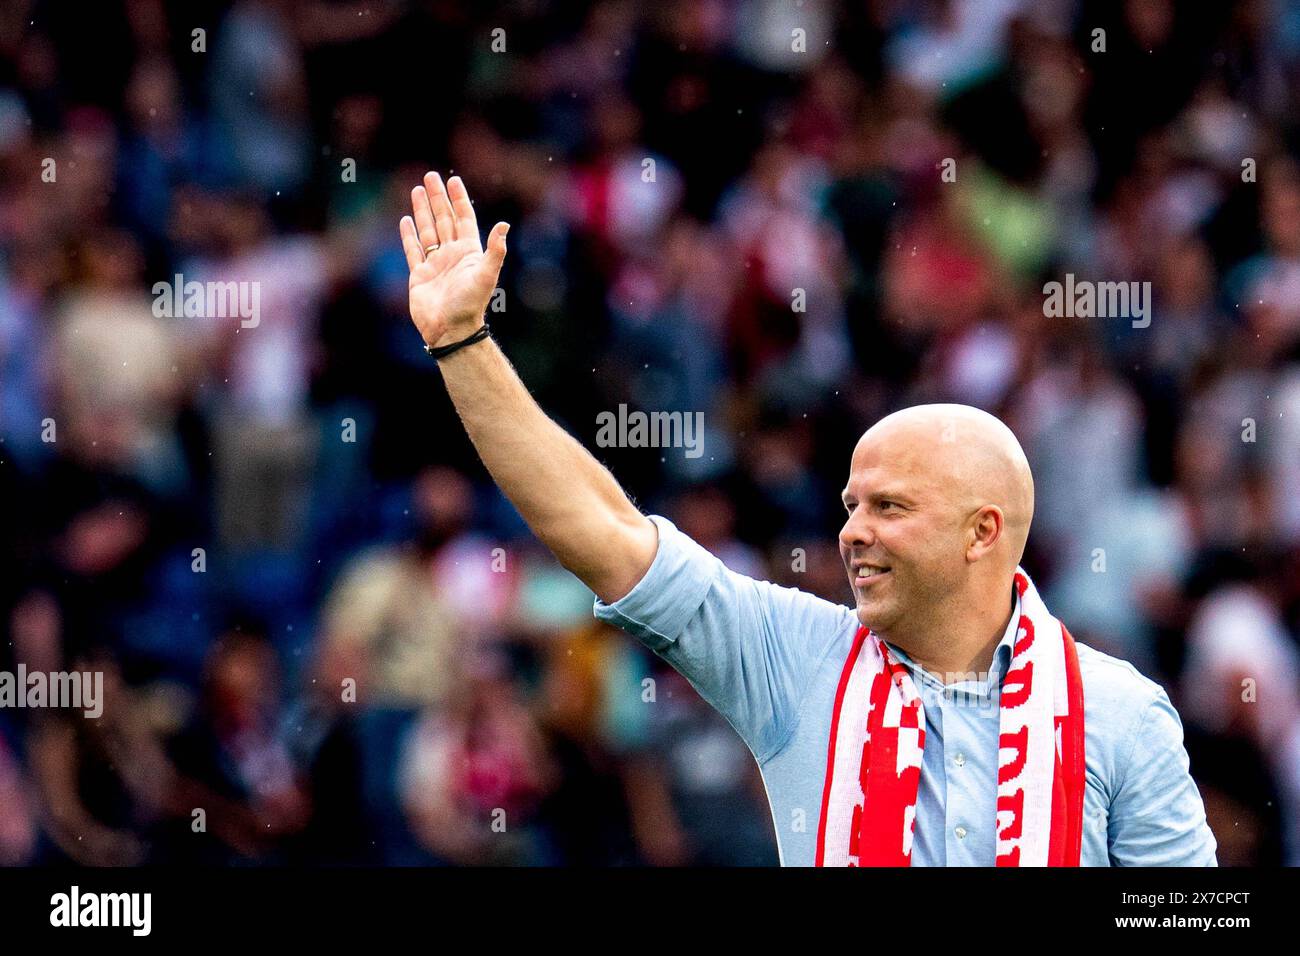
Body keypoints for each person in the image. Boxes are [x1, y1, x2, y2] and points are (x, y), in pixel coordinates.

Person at [394, 172, 1218, 867]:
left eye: (890, 507)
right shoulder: (792, 657)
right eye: (851, 507)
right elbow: (602, 530)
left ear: (983, 532)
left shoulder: (1120, 713)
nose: (853, 532)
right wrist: (464, 342)